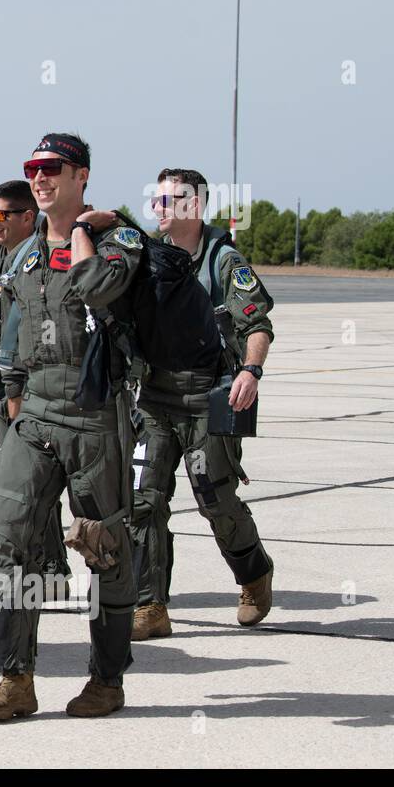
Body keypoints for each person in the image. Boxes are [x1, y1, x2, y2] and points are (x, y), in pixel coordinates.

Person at [0, 133, 141, 720]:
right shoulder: (23, 253)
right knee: (11, 539)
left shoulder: (119, 239)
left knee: (104, 547)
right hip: (36, 412)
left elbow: (98, 287)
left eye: (52, 168)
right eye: (33, 169)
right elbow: (12, 330)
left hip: (95, 416)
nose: (40, 178)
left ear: (81, 176)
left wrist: (82, 235)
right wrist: (13, 396)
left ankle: (107, 680)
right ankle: (15, 680)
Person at [130, 168, 275, 640]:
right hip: (153, 397)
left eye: (171, 200)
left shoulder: (223, 260)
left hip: (207, 396)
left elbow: (257, 324)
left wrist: (250, 371)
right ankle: (150, 605)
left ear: (196, 206)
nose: (160, 208)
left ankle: (253, 574)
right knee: (143, 500)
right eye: (157, 200)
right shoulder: (144, 258)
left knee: (215, 497)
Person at [0, 182, 70, 609]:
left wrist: (19, 394)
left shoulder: (46, 260)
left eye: (3, 216)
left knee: (20, 483)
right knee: (28, 482)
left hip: (35, 389)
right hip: (4, 390)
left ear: (29, 217)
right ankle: (55, 571)